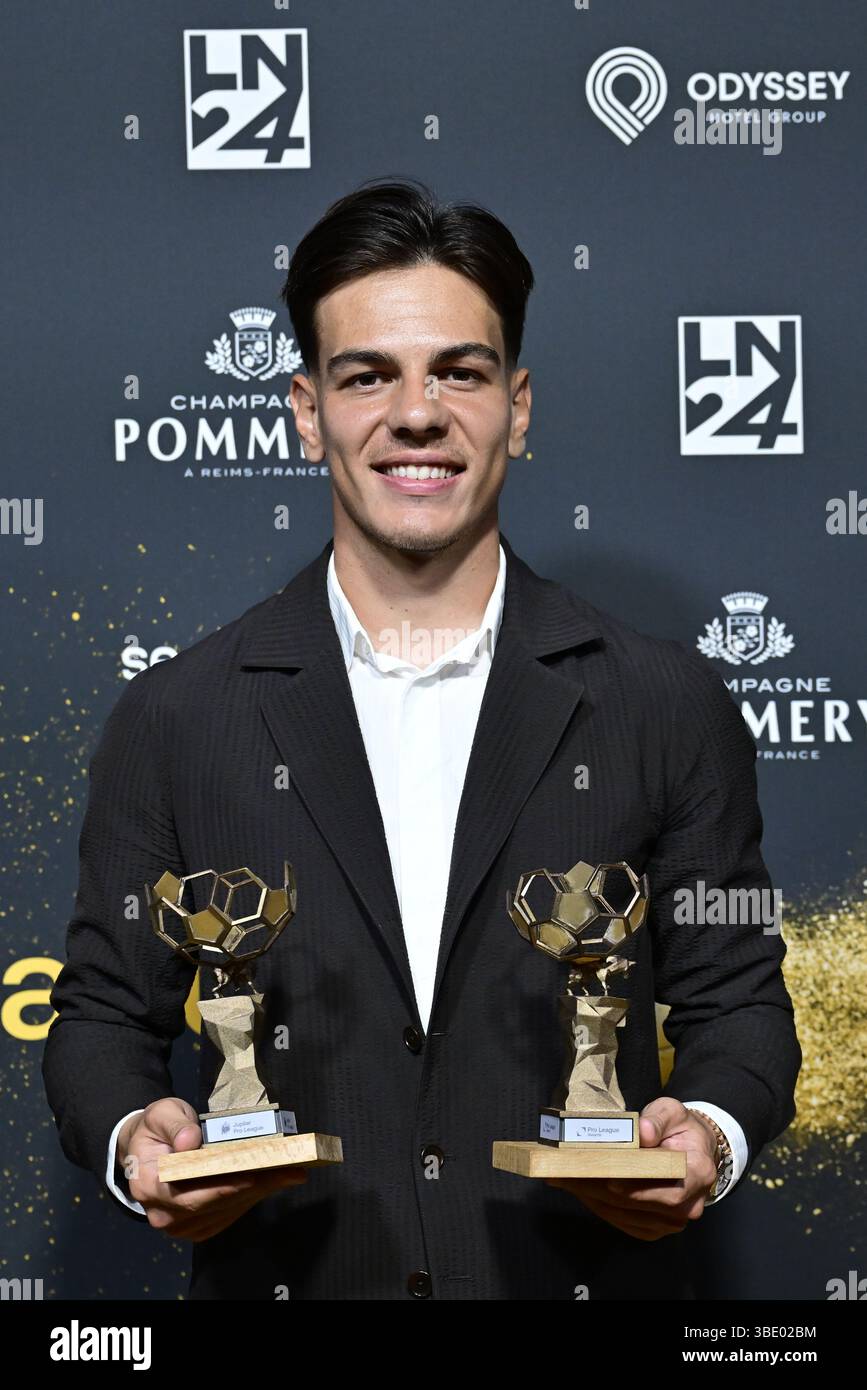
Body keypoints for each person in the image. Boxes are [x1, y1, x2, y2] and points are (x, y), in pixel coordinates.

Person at [42, 178, 801, 1300]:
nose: (417, 414)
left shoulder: (663, 700)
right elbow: (101, 1016)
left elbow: (738, 1001)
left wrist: (715, 1134)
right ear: (307, 411)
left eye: (460, 370)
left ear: (519, 406)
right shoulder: (177, 714)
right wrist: (130, 1138)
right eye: (367, 376)